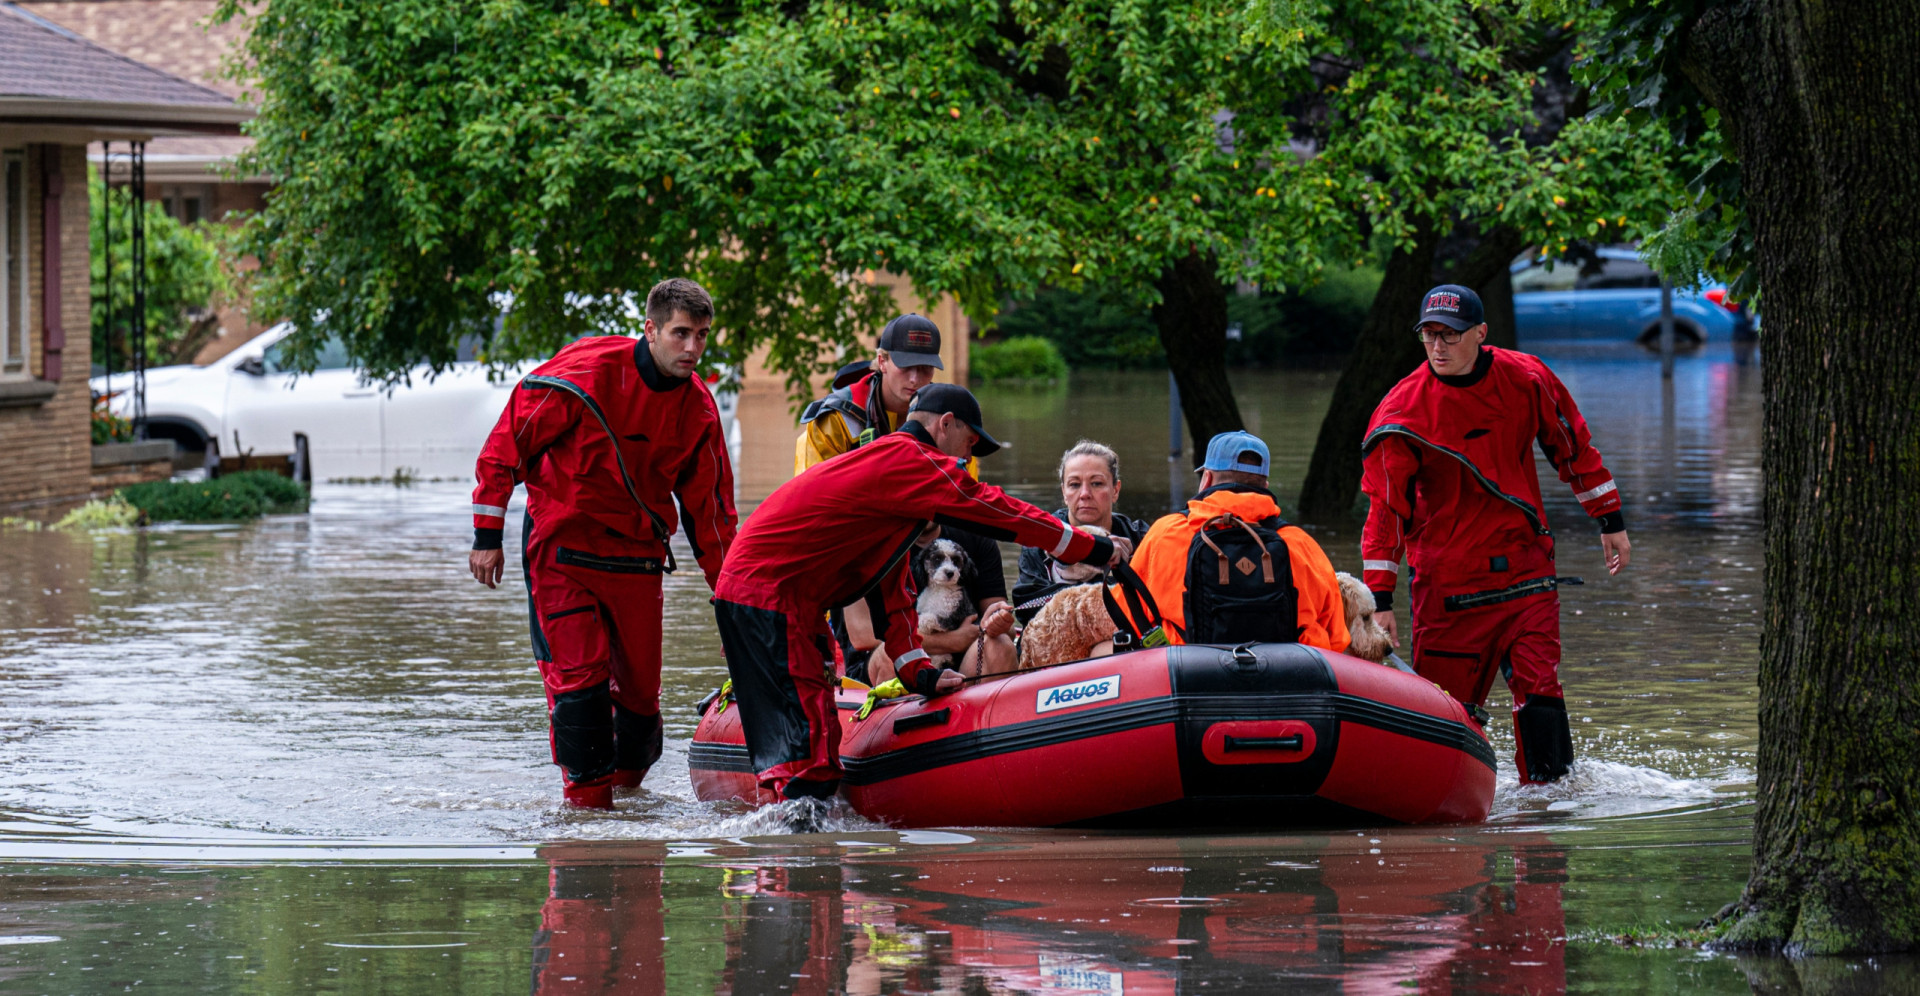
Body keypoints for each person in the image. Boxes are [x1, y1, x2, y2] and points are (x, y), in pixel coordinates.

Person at [714, 384, 1121, 802]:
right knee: (805, 753)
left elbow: (895, 594)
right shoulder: (911, 460)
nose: (966, 463)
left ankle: (796, 825)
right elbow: (998, 511)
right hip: (769, 596)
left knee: (818, 743)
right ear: (945, 425)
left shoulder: (890, 483)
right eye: (967, 447)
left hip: (776, 596)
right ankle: (789, 832)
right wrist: (1089, 546)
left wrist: (919, 673)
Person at [467, 278, 736, 810]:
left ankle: (625, 827)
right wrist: (486, 536)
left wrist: (736, 602)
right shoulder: (582, 375)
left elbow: (712, 516)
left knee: (641, 718)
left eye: (702, 336)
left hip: (637, 561)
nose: (693, 348)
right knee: (580, 694)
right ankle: (583, 825)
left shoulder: (700, 410)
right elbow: (505, 446)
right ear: (650, 329)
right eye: (681, 334)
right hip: (562, 553)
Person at [1361, 284, 1631, 785]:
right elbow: (1385, 512)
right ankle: (1449, 807)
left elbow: (1571, 445)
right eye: (1428, 335)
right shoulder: (1401, 412)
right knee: (1447, 712)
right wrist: (1379, 600)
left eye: (1450, 335)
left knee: (1541, 691)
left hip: (1527, 571)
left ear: (1481, 333)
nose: (1438, 346)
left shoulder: (1527, 378)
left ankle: (1550, 807)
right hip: (1448, 587)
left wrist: (1609, 518)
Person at [1113, 431, 1349, 652]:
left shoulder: (1166, 533)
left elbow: (1126, 614)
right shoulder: (1301, 544)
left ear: (1206, 479)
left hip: (1188, 671)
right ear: (1265, 487)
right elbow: (1336, 635)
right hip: (1287, 673)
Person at [849, 521, 1018, 681]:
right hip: (881, 662)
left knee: (1001, 644)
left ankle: (973, 699)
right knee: (891, 655)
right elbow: (863, 637)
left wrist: (998, 622)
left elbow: (1006, 628)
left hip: (966, 658)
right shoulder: (867, 542)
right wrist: (953, 641)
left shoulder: (977, 535)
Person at [1012, 440, 1151, 624]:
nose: (1085, 493)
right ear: (1064, 492)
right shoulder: (1040, 539)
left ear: (1115, 490)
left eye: (1096, 483)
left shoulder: (1142, 538)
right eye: (1075, 484)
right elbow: (1025, 611)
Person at [794, 314, 948, 473]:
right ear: (882, 362)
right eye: (905, 366)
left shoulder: (948, 419)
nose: (914, 379)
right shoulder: (836, 420)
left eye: (925, 367)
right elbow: (810, 485)